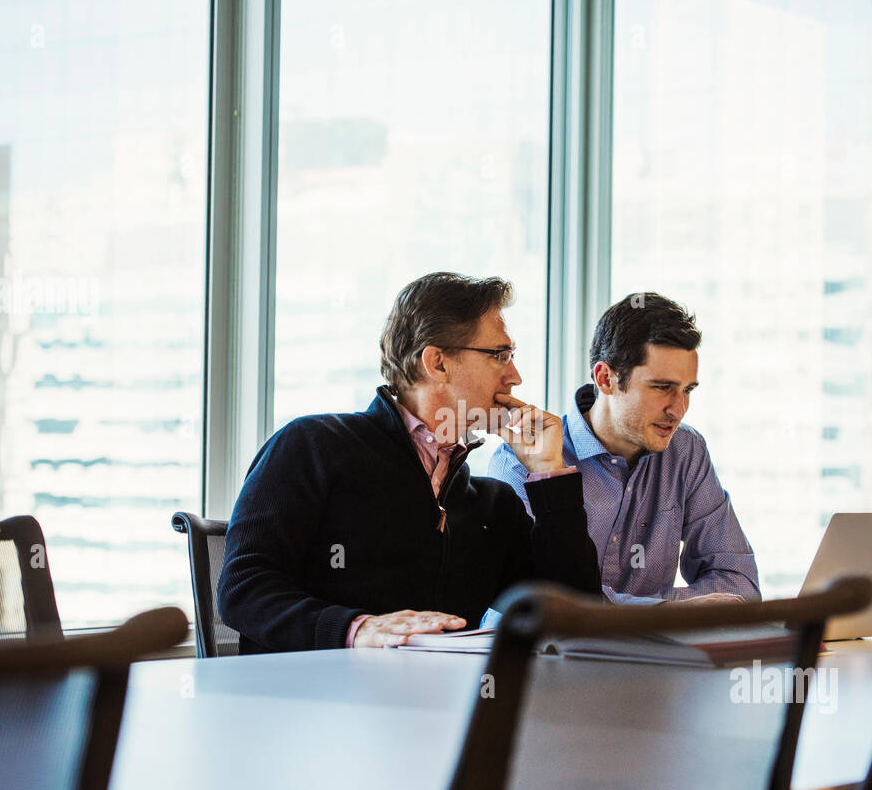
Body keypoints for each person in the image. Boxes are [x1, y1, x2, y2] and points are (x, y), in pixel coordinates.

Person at [217, 271, 601, 652]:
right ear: (437, 363)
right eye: (499, 355)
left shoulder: (491, 505)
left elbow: (577, 616)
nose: (515, 377)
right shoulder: (313, 446)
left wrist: (550, 473)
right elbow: (243, 588)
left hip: (438, 703)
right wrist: (357, 630)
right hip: (314, 699)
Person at [487, 292, 759, 604]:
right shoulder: (525, 460)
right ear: (605, 379)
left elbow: (741, 586)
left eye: (687, 390)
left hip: (651, 652)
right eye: (662, 387)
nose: (679, 409)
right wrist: (667, 612)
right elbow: (541, 602)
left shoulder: (686, 450)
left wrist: (653, 614)